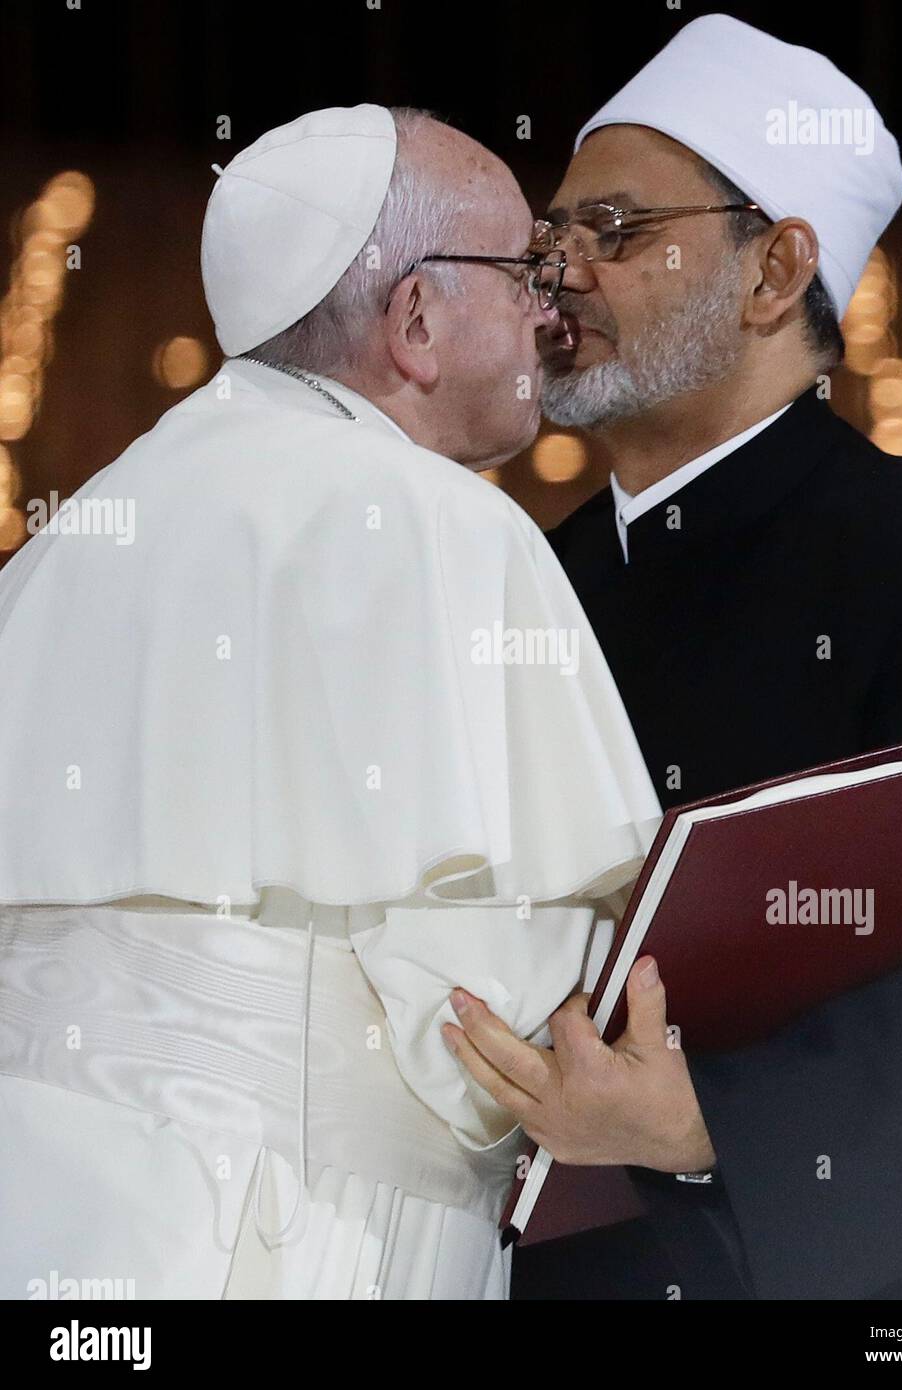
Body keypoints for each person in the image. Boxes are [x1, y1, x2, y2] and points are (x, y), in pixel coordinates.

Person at [0, 104, 664, 1300]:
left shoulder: (80, 530)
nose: (547, 308)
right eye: (520, 272)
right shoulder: (438, 524)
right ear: (415, 320)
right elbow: (493, 1026)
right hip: (291, 1236)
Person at [446, 16, 902, 1300]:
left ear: (774, 272)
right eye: (554, 237)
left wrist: (709, 1120)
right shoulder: (517, 580)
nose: (558, 273)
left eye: (614, 231)